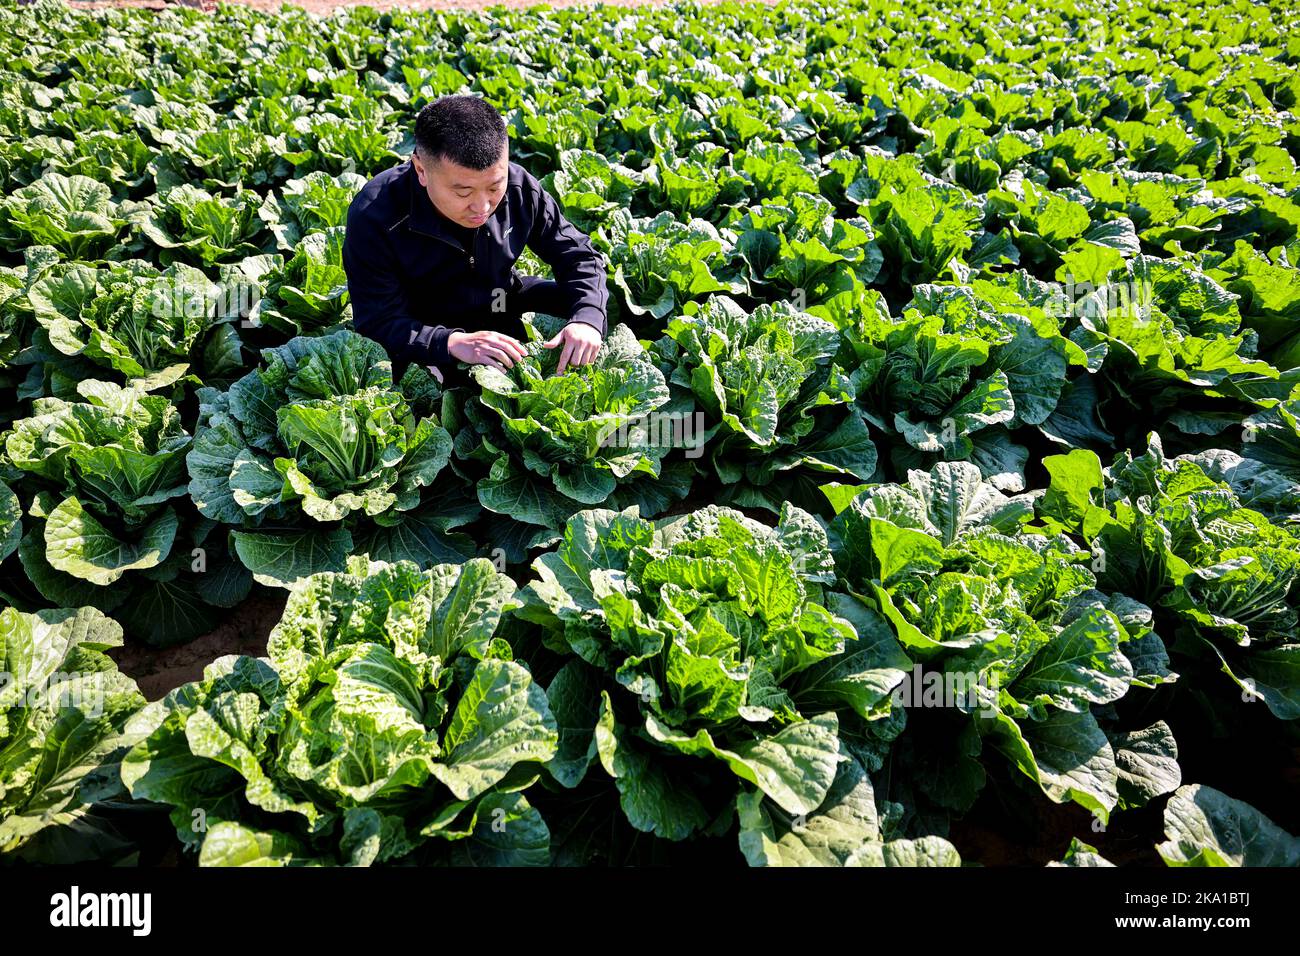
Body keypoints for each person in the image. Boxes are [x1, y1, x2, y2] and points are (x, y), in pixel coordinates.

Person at [342, 95, 607, 385]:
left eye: (495, 186)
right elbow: (377, 321)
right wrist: (451, 343)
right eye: (463, 192)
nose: (482, 207)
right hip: (424, 324)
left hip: (498, 301)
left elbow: (579, 254)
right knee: (417, 385)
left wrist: (587, 319)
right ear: (421, 170)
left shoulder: (519, 187)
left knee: (589, 304)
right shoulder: (375, 214)